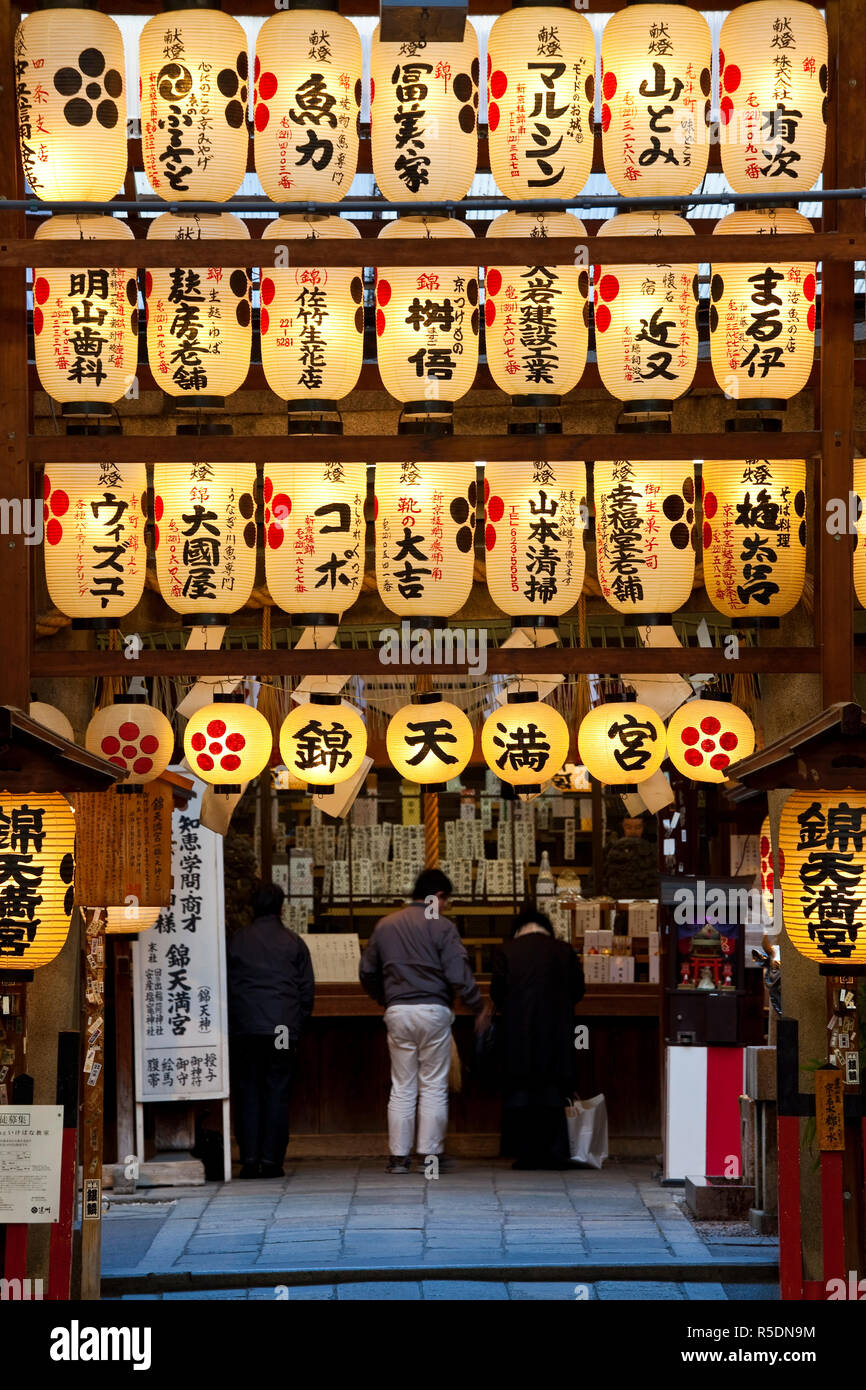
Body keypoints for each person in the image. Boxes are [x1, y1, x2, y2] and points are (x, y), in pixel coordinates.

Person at [359, 868, 486, 1173]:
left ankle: (398, 1158)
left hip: (398, 1012)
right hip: (433, 1012)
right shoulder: (442, 927)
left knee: (402, 1086)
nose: (445, 907)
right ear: (438, 896)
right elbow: (458, 974)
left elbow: (366, 971)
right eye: (446, 901)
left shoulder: (386, 925)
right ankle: (430, 1156)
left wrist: (385, 998)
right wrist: (477, 1004)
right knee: (433, 1086)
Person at [227, 882, 314, 1179]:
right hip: (280, 1027)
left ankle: (249, 1160)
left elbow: (224, 984)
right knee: (277, 1089)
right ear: (281, 908)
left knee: (248, 1088)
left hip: (246, 1027)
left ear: (252, 908)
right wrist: (296, 1025)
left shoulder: (236, 941)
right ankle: (272, 1161)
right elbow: (306, 992)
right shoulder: (293, 942)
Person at [490, 905, 585, 1170]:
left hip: (517, 1035)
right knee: (554, 1090)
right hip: (557, 1035)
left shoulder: (506, 951)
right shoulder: (564, 951)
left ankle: (526, 1153)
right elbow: (579, 990)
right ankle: (556, 1151)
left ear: (519, 929)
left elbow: (497, 994)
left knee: (521, 1091)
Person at [600, 814, 659, 901]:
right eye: (628, 827)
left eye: (638, 827)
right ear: (622, 827)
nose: (633, 831)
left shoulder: (651, 850)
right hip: (615, 897)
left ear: (643, 828)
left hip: (646, 898)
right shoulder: (611, 849)